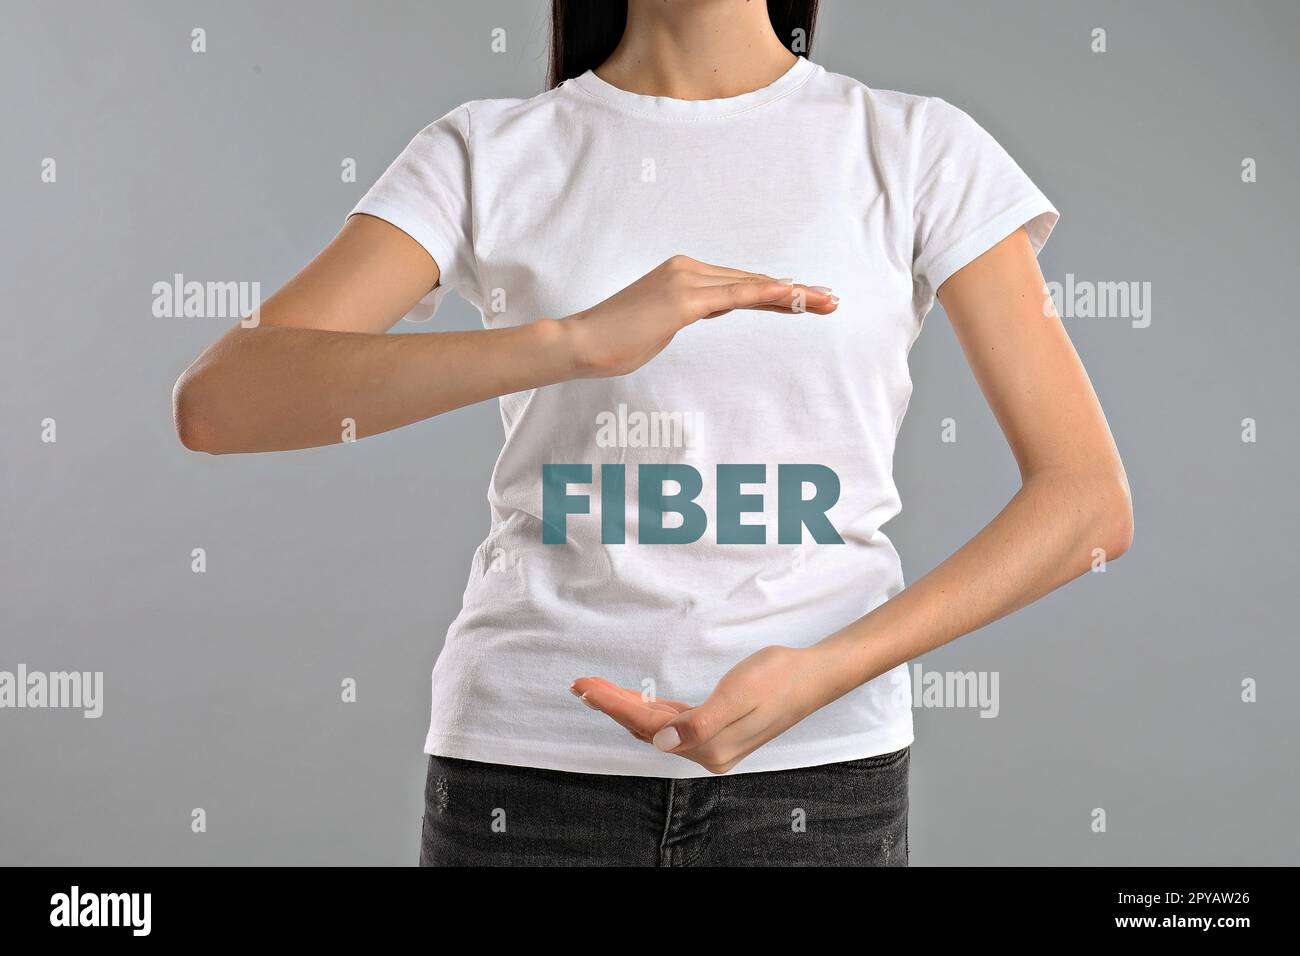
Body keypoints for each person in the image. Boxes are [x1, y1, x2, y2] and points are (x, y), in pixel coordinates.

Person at [173, 0, 1132, 866]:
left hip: (816, 784)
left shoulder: (916, 147)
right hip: (526, 772)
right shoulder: (490, 151)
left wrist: (824, 673)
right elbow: (221, 402)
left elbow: (1087, 502)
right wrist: (574, 343)